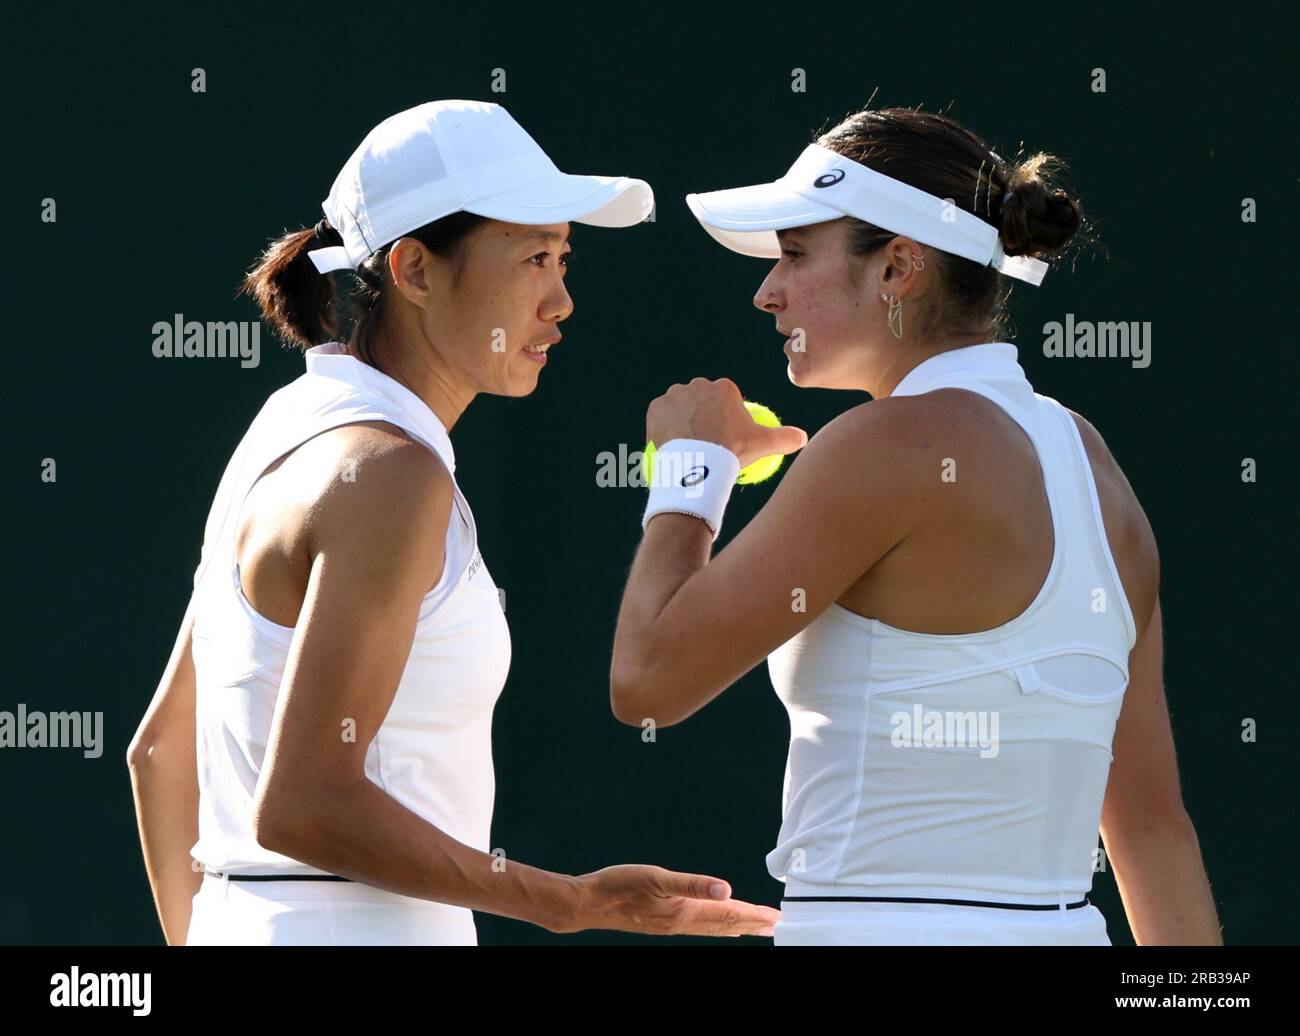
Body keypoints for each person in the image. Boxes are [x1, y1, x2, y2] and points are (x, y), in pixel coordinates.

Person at [127, 99, 779, 945]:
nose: (562, 300)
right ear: (416, 271)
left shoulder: (285, 429)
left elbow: (159, 754)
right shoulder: (391, 475)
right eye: (535, 257)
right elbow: (304, 804)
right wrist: (572, 902)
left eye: (565, 257)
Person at [609, 106, 1221, 945]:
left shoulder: (879, 445)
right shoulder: (1093, 463)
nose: (766, 292)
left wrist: (692, 469)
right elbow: (1151, 829)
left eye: (794, 254)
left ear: (898, 268)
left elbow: (647, 681)